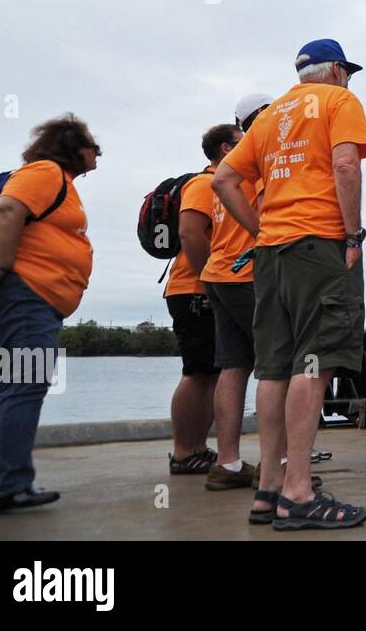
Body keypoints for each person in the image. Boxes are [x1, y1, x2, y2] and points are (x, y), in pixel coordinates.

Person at [213, 39, 366, 531]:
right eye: (347, 71)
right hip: (319, 247)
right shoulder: (339, 101)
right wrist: (351, 235)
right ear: (337, 71)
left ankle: (268, 489)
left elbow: (224, 180)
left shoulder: (268, 116)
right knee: (317, 360)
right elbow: (346, 165)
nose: (349, 79)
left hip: (272, 256)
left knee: (275, 367)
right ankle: (299, 492)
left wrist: (259, 230)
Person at [0, 115, 99, 512]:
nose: (98, 155)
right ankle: (9, 485)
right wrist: (3, 267)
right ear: (72, 147)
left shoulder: (58, 180)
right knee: (24, 385)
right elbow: (9, 208)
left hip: (26, 296)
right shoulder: (46, 171)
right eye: (94, 147)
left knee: (7, 385)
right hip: (24, 295)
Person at [199, 96, 273, 491]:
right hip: (250, 275)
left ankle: (226, 464)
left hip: (218, 274)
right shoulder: (257, 160)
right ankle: (274, 466)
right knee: (276, 364)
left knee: (233, 366)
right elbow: (267, 213)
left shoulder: (225, 168)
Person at [163, 126, 236, 476]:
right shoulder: (204, 184)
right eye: (241, 142)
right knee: (196, 372)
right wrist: (209, 284)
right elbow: (189, 231)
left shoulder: (225, 183)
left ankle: (197, 447)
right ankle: (182, 451)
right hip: (193, 291)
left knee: (211, 372)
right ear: (225, 148)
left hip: (207, 290)